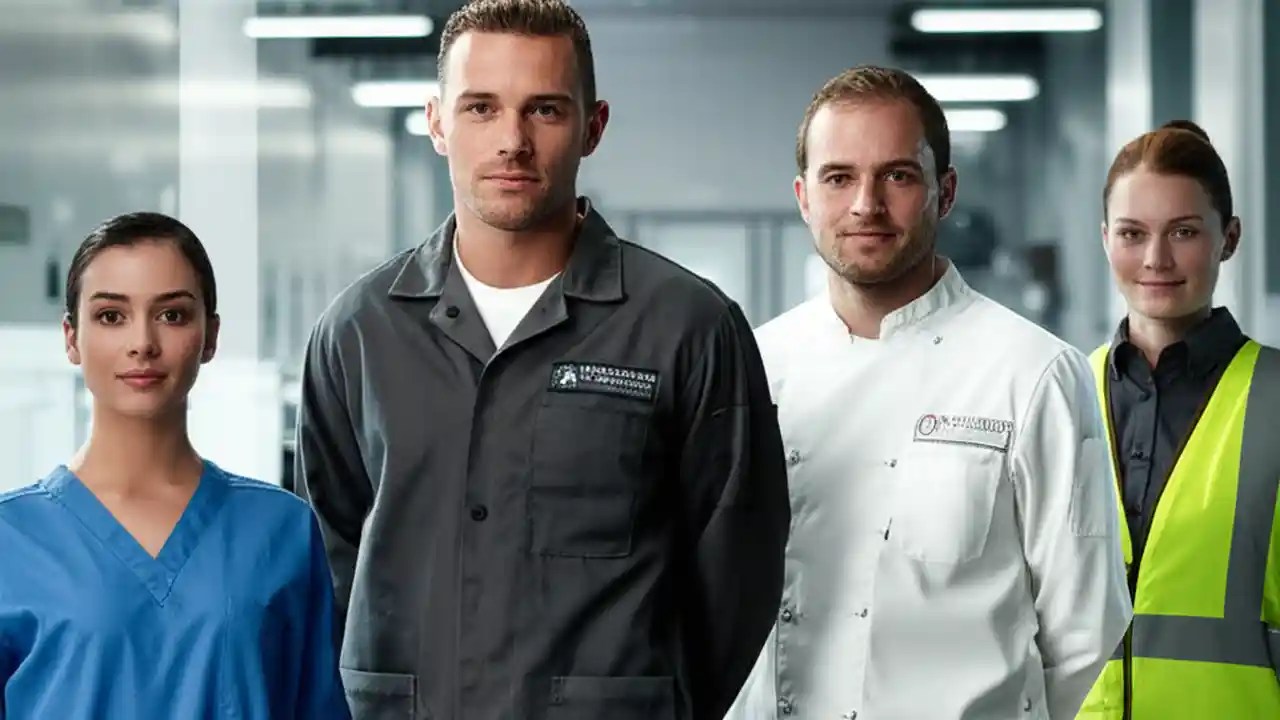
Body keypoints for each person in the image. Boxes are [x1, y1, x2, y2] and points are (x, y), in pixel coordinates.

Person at [290, 1, 790, 718]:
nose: (512, 141)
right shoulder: (358, 332)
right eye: (481, 108)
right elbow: (329, 560)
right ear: (437, 122)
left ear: (594, 125)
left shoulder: (688, 327)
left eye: (545, 110)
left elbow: (737, 570)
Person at [726, 65, 1132, 720]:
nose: (866, 204)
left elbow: (1086, 635)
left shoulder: (1032, 373)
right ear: (804, 197)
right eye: (839, 178)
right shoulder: (752, 368)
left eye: (898, 175)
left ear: (944, 192)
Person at [0, 212, 350, 718]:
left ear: (210, 336)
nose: (142, 342)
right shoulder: (12, 539)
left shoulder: (282, 531)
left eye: (172, 315)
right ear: (71, 338)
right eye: (111, 316)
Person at [1075, 120, 1280, 719]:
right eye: (1133, 233)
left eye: (1184, 232)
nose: (1156, 259)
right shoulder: (1061, 393)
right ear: (1105, 238)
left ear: (1229, 238)